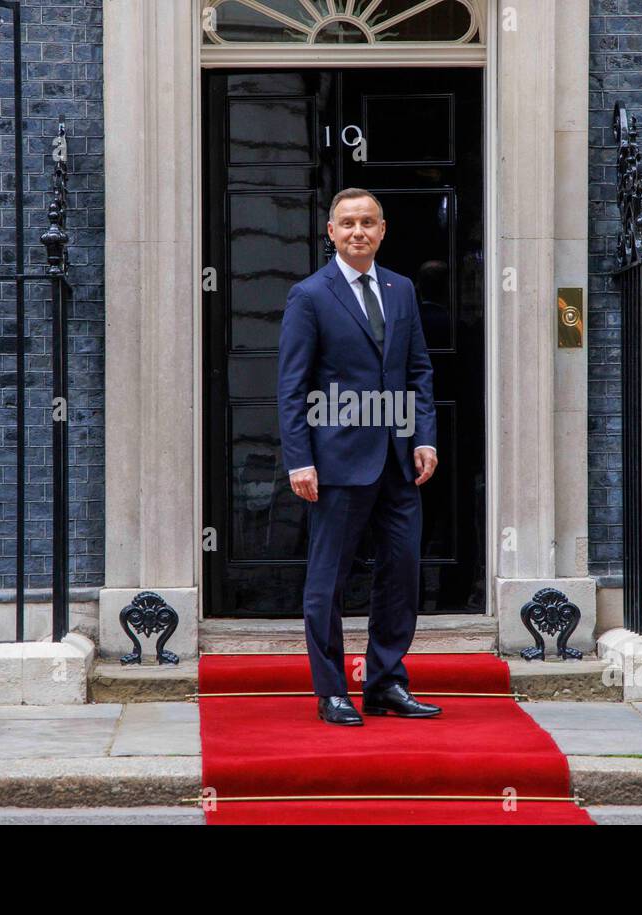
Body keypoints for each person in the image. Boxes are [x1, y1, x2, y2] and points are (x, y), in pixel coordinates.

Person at [276, 188, 441, 726]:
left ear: (383, 230)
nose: (358, 232)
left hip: (397, 460)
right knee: (328, 580)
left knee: (401, 571)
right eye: (347, 223)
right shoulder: (310, 295)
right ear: (331, 232)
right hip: (336, 462)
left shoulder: (402, 290)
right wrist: (300, 460)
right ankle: (331, 691)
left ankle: (386, 682)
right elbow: (293, 387)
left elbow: (418, 371)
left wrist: (424, 437)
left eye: (368, 222)